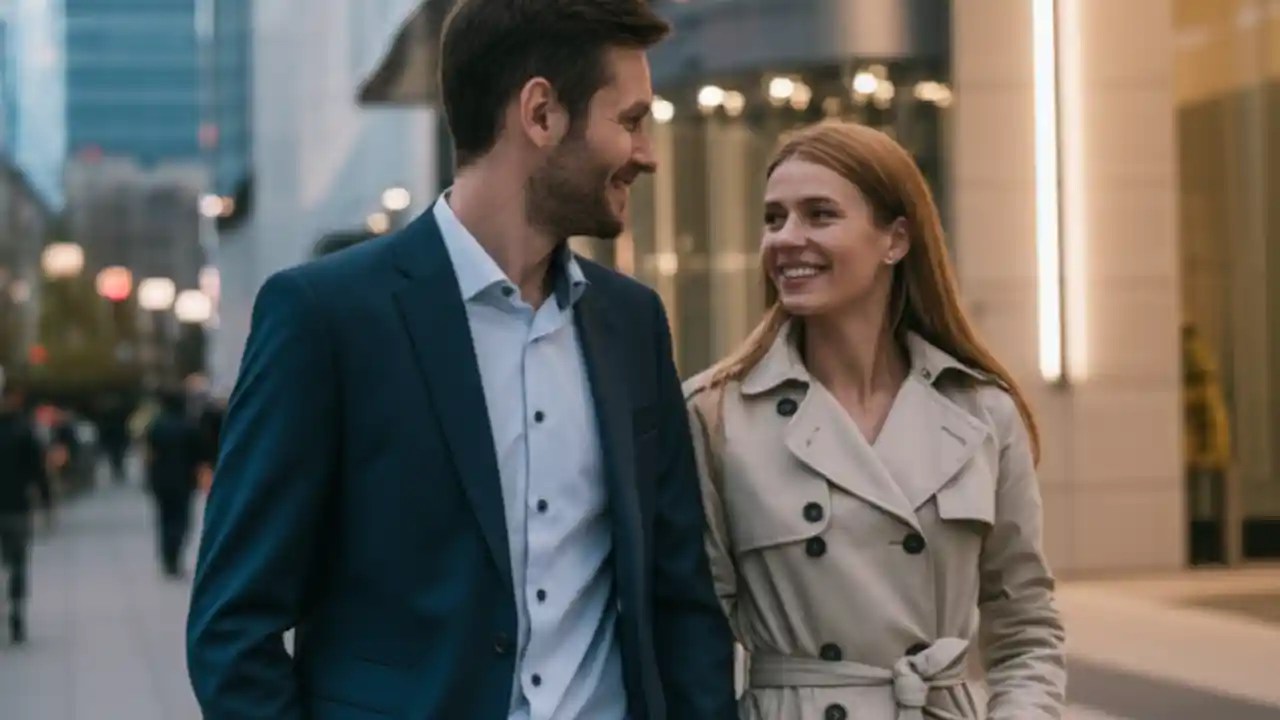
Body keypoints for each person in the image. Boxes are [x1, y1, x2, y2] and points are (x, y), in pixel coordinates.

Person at [186, 1, 737, 718]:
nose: (648, 153)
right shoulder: (326, 317)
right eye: (630, 121)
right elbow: (233, 626)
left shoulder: (632, 324)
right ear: (541, 113)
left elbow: (678, 598)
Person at [684, 121, 1066, 719]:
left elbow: (1025, 628)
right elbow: (689, 637)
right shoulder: (717, 414)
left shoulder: (982, 411)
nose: (787, 238)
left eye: (819, 214)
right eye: (774, 218)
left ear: (895, 239)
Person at [0, 381, 48, 644]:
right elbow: (37, 471)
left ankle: (14, 610)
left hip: (14, 507)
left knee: (16, 563)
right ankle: (16, 612)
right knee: (17, 564)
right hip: (17, 507)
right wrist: (45, 499)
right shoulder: (24, 431)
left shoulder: (24, 431)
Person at [145, 388, 203, 578]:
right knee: (181, 520)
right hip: (184, 480)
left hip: (160, 479)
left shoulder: (156, 425)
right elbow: (198, 455)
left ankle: (167, 558)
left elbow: (149, 454)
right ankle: (175, 558)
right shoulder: (189, 426)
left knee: (164, 518)